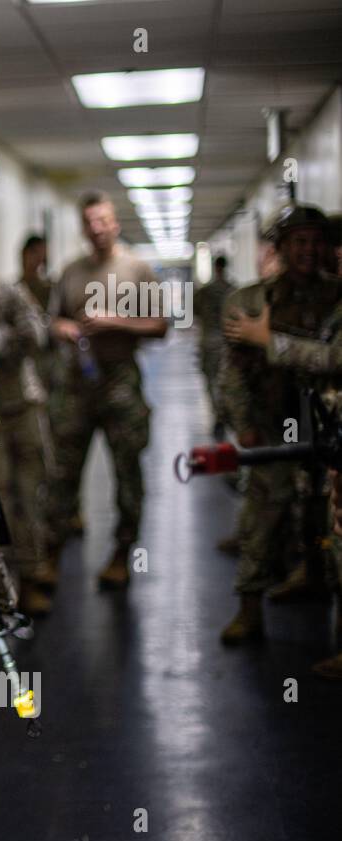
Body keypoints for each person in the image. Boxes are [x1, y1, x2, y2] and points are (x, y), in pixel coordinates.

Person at [219, 204, 342, 643]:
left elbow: (333, 361)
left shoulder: (337, 298)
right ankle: (249, 608)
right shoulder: (252, 301)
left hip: (330, 432)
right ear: (282, 248)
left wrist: (271, 340)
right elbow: (232, 373)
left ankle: (313, 576)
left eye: (316, 242)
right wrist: (242, 423)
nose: (308, 251)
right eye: (299, 242)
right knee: (263, 519)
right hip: (274, 426)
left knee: (325, 519)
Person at [46, 192, 168, 589]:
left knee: (127, 473)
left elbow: (161, 326)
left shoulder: (136, 269)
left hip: (121, 383)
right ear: (83, 228)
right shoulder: (71, 272)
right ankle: (49, 555)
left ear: (115, 223)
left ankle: (122, 553)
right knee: (62, 472)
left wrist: (118, 322)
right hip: (78, 384)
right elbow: (54, 319)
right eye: (89, 222)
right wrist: (62, 328)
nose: (96, 229)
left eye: (103, 221)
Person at [0, 263, 55, 617]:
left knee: (32, 493)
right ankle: (4, 585)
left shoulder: (2, 290)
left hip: (22, 405)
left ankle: (34, 573)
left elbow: (36, 333)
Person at [194, 254, 234, 435]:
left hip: (209, 341)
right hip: (228, 342)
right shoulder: (233, 290)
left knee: (211, 382)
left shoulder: (204, 291)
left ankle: (218, 414)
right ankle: (224, 413)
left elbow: (195, 312)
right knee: (227, 381)